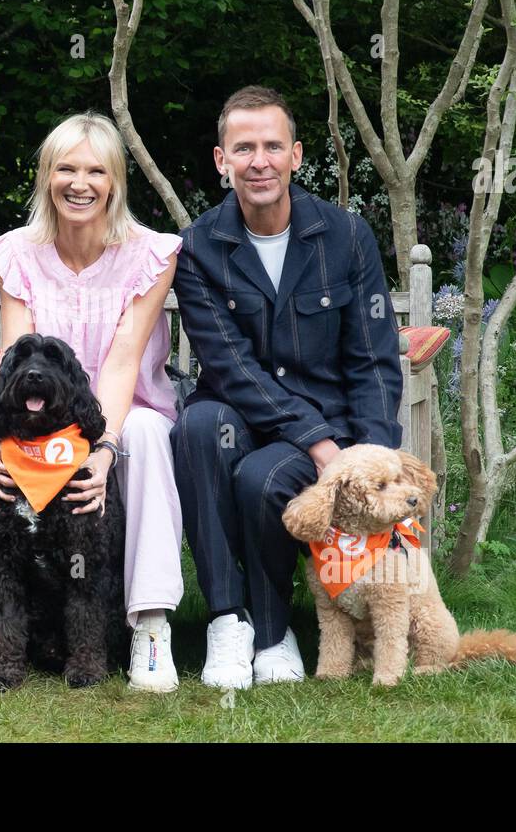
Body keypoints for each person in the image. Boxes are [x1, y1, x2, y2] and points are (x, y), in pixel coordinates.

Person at [0, 112, 185, 692]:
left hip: (121, 412)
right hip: (34, 418)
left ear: (115, 182)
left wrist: (102, 449)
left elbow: (124, 361)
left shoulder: (151, 254)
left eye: (96, 170)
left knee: (146, 433)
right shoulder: (16, 254)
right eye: (66, 168)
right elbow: (12, 356)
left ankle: (149, 622)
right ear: (47, 177)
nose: (80, 183)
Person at [170, 85, 403, 689]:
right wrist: (320, 444)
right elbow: (230, 366)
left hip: (328, 420)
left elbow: (375, 360)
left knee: (262, 479)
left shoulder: (346, 236)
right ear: (222, 161)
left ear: (296, 155)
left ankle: (273, 632)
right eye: (242, 148)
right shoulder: (198, 247)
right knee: (196, 426)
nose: (259, 161)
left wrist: (372, 461)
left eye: (272, 146)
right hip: (242, 409)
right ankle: (227, 620)